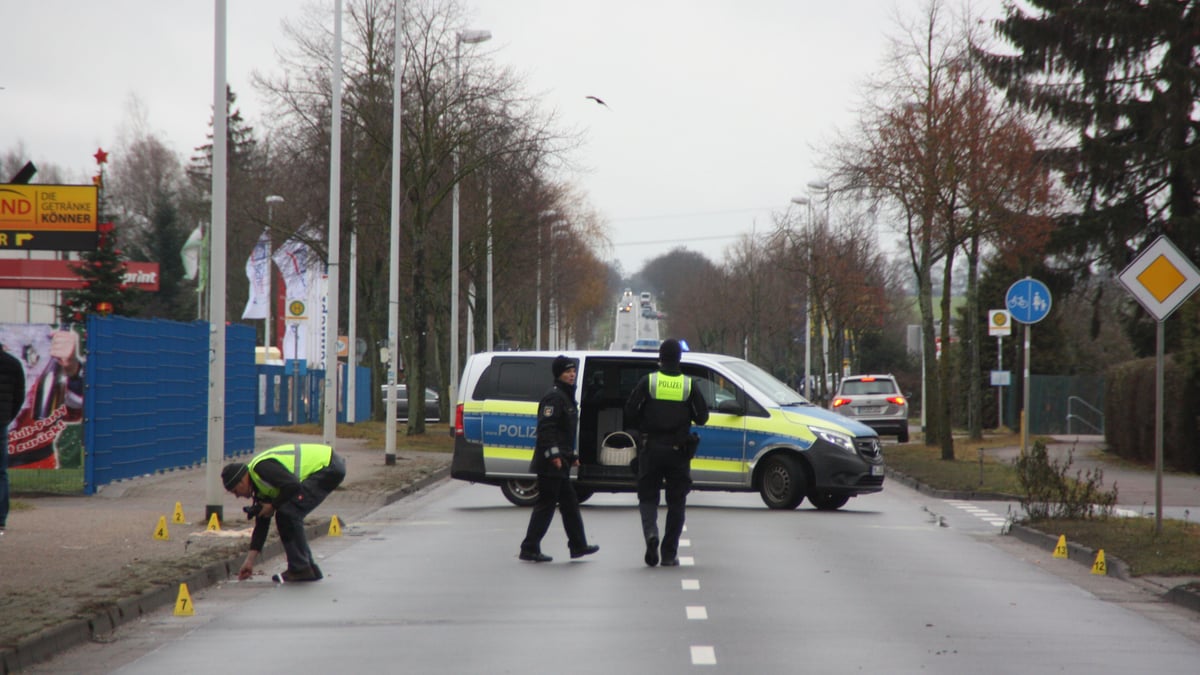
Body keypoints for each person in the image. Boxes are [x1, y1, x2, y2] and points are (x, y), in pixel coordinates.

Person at [625, 338, 709, 567]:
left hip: (650, 449)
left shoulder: (649, 381)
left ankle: (651, 534)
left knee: (648, 497)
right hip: (678, 451)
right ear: (680, 358)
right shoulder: (688, 385)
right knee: (676, 502)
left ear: (660, 358)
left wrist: (645, 421)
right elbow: (702, 417)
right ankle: (669, 554)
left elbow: (630, 410)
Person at [222, 443, 346, 582]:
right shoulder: (259, 487)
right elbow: (262, 525)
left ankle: (300, 569)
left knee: (288, 513)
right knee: (288, 512)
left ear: (241, 482)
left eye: (235, 491)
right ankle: (308, 567)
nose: (237, 496)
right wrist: (249, 561)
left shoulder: (260, 468)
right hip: (329, 466)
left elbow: (292, 485)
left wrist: (273, 505)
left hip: (327, 466)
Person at [518, 355, 600, 563]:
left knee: (569, 504)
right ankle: (529, 547)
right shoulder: (554, 397)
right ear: (558, 374)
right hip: (550, 464)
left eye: (573, 371)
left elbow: (564, 433)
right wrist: (554, 455)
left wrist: (571, 455)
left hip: (561, 461)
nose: (572, 375)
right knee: (546, 504)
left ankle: (578, 545)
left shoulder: (566, 396)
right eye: (567, 372)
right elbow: (546, 429)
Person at [0, 346, 26, 536]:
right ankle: (1, 518)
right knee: (1, 472)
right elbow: (19, 396)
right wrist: (8, 417)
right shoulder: (12, 363)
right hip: (1, 422)